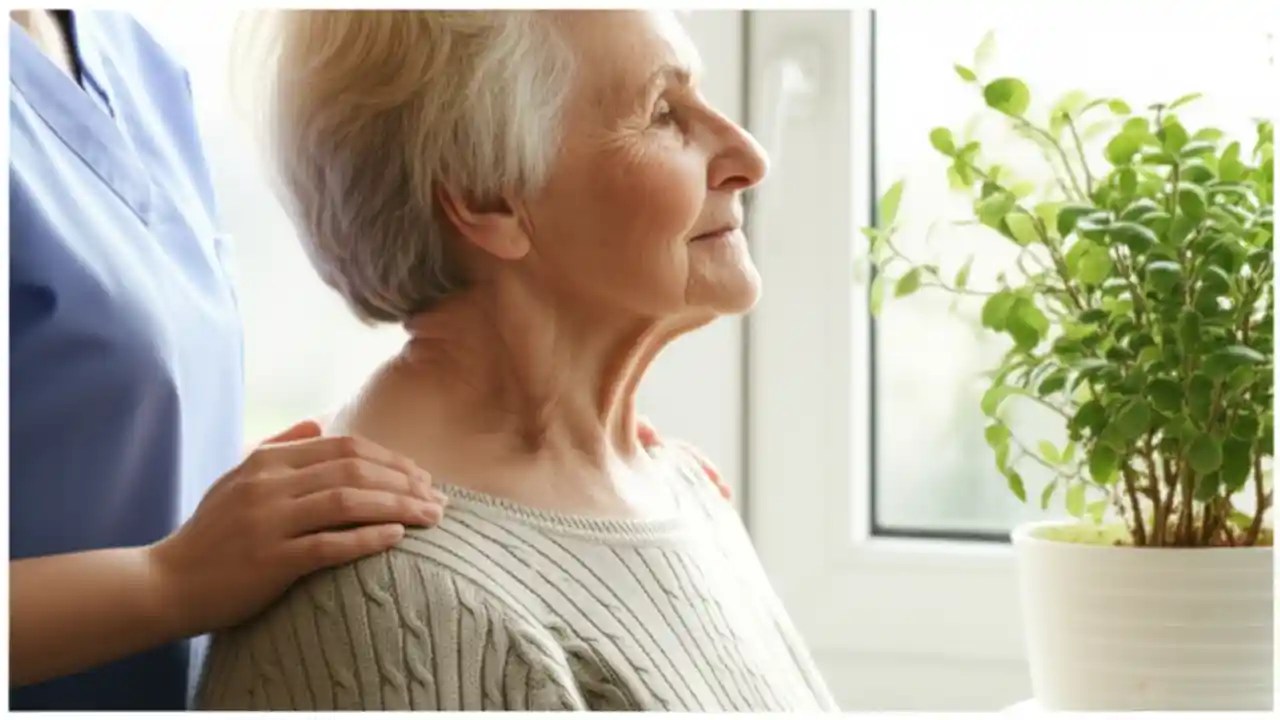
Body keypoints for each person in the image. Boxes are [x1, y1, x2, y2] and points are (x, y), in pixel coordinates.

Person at [7, 9, 720, 710]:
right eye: (662, 113)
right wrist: (164, 581)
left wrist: (561, 445)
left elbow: (107, 418)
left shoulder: (133, 60)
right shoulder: (404, 611)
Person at [196, 9, 836, 712]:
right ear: (486, 198)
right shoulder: (389, 600)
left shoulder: (679, 492)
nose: (749, 155)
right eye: (662, 112)